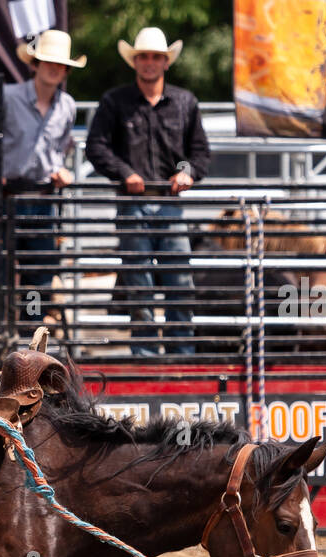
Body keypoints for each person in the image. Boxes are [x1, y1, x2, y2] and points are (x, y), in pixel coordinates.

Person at [85, 27, 210, 356]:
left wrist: (187, 173)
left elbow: (200, 154)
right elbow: (96, 146)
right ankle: (147, 355)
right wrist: (125, 173)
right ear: (135, 61)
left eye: (156, 56)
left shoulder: (185, 103)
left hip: (168, 202)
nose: (150, 62)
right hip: (133, 203)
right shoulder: (116, 102)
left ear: (166, 62)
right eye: (144, 56)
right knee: (141, 283)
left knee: (179, 282)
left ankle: (181, 353)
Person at [0, 29, 82, 329]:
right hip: (5, 194)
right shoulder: (6, 97)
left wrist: (62, 169)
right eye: (48, 61)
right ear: (34, 64)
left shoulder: (68, 106)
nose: (53, 68)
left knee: (40, 269)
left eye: (60, 64)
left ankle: (30, 331)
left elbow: (61, 146)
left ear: (65, 70)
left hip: (43, 198)